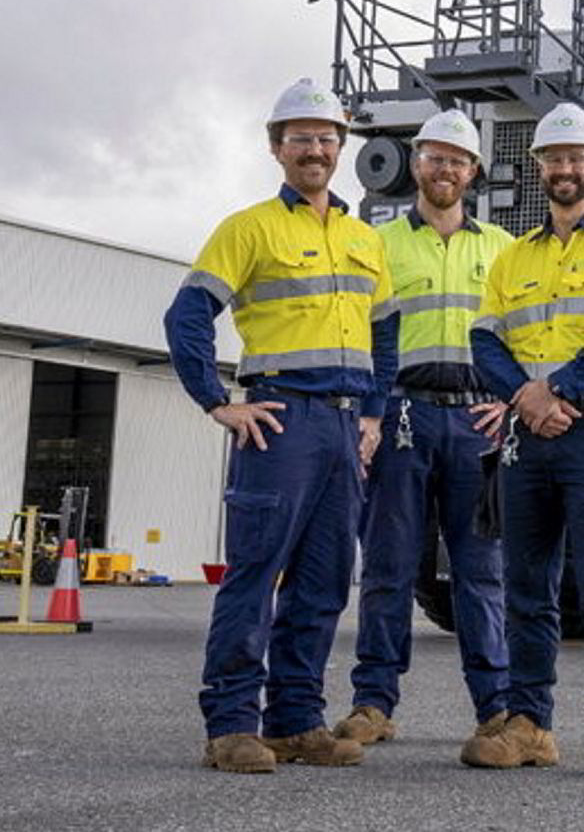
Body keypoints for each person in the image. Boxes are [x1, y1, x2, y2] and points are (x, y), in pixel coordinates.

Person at [164, 78, 395, 774]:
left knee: (324, 581)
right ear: (277, 147)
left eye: (327, 138)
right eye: (301, 138)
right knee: (257, 571)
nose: (315, 149)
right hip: (280, 418)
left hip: (346, 426)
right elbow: (186, 317)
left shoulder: (364, 239)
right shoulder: (249, 228)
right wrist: (217, 401)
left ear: (341, 147)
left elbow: (386, 336)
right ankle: (232, 723)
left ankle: (295, 720)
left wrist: (377, 415)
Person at [465, 102, 584, 781]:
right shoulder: (511, 256)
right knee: (525, 584)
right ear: (539, 167)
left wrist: (559, 391)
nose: (565, 168)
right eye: (553, 158)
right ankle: (530, 725)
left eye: (577, 157)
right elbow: (483, 339)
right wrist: (527, 397)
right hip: (527, 432)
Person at [331, 109, 513, 760]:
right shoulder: (378, 244)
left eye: (457, 160)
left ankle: (496, 708)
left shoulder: (502, 248)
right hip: (402, 411)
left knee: (481, 569)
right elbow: (356, 333)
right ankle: (373, 701)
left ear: (473, 172)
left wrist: (511, 401)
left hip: (476, 420)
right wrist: (366, 413)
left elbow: (524, 334)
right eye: (434, 156)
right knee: (388, 564)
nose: (445, 169)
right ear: (416, 164)